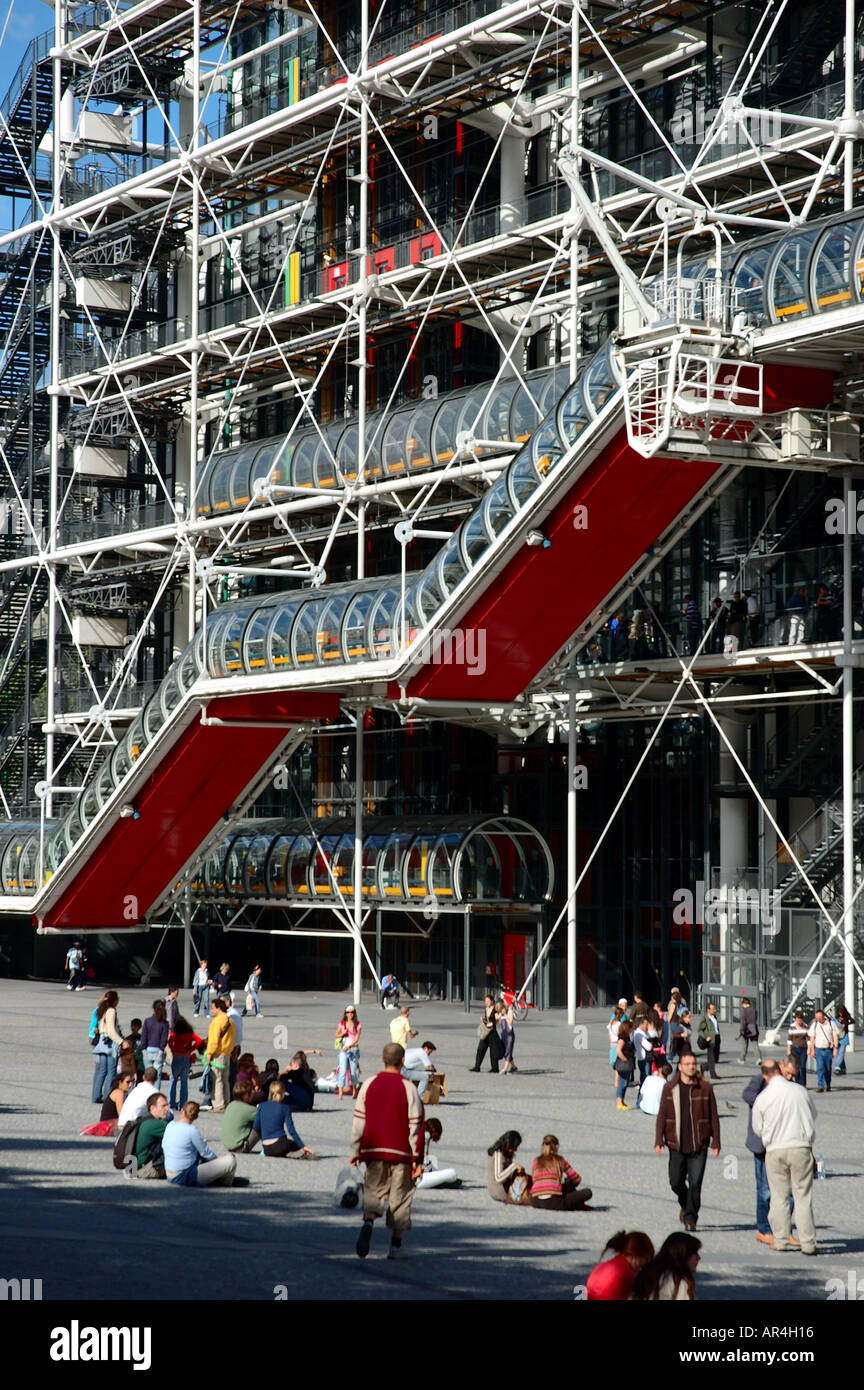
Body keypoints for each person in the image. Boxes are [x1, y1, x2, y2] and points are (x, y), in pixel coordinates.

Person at [351, 1042, 425, 1260]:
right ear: (403, 1061)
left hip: (373, 1150)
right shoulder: (409, 1088)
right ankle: (395, 1246)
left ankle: (368, 1222)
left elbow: (358, 1122)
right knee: (400, 1198)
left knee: (373, 1192)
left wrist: (355, 1151)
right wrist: (416, 1159)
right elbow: (416, 1126)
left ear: (382, 1059)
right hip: (400, 1153)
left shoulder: (369, 1084)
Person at [751, 1061, 818, 1255]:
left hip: (775, 1149)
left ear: (765, 1076)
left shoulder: (763, 1097)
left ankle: (780, 1239)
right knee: (803, 1196)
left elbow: (757, 1127)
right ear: (780, 1071)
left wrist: (767, 1137)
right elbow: (812, 1115)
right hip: (801, 1146)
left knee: (779, 1196)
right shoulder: (800, 1091)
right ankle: (808, 1243)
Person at [654, 1050, 721, 1231]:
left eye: (693, 1063)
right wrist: (658, 1139)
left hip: (699, 1143)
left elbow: (713, 1115)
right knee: (675, 1181)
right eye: (688, 1064)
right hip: (676, 1143)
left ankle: (690, 1218)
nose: (691, 1066)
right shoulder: (670, 1088)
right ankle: (685, 1204)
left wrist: (716, 1141)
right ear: (680, 1066)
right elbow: (662, 1114)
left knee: (695, 1183)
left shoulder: (705, 1088)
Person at [743, 1060, 798, 1248]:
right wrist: (769, 1102)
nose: (790, 1078)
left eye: (793, 1075)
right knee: (765, 1191)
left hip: (784, 1143)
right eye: (788, 1073)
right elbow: (747, 1095)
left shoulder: (790, 1087)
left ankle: (784, 1230)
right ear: (780, 1067)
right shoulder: (761, 1080)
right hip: (763, 1144)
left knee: (788, 1193)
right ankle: (764, 1229)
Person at [163, 1101, 238, 1186]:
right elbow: (206, 1153)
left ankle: (218, 1178)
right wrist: (218, 1160)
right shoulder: (191, 1130)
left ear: (182, 1111)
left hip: (169, 1173)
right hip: (185, 1175)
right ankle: (225, 1182)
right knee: (230, 1160)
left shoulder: (170, 1125)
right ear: (196, 1116)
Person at [585, 1231, 655, 1301]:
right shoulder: (626, 1275)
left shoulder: (601, 1267)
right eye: (646, 1259)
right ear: (636, 1255)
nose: (645, 1265)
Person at [251, 1081, 314, 1158]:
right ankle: (296, 1153)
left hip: (266, 1147)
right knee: (294, 1145)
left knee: (282, 1148)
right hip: (281, 1144)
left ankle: (287, 1153)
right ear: (283, 1094)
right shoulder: (285, 1108)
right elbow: (291, 1131)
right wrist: (303, 1146)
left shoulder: (261, 1106)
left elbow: (256, 1127)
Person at [530, 1134, 592, 1211]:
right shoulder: (560, 1160)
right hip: (554, 1202)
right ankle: (579, 1205)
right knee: (587, 1192)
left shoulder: (536, 1161)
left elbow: (534, 1180)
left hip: (536, 1201)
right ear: (556, 1146)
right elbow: (576, 1178)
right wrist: (571, 1185)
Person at [631, 1233, 701, 1300]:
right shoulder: (679, 1281)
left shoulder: (646, 1272)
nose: (698, 1257)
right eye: (694, 1253)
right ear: (683, 1253)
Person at [91, 990, 123, 1104]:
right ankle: (108, 1096)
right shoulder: (111, 1011)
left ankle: (95, 1096)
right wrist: (121, 1042)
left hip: (101, 1042)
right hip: (110, 1044)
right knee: (111, 1072)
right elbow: (111, 1030)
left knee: (101, 1071)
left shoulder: (101, 1010)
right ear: (115, 1000)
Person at [205, 998, 236, 1113]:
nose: (211, 1010)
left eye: (212, 1008)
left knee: (217, 1079)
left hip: (218, 1054)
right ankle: (226, 1102)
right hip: (227, 1053)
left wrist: (209, 1054)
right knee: (225, 1080)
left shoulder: (217, 1021)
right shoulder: (230, 1020)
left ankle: (218, 1105)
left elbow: (213, 1040)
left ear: (219, 1008)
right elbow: (233, 1039)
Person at [486, 1131, 532, 1204]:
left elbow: (506, 1172)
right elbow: (498, 1178)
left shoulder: (506, 1153)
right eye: (514, 1147)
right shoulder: (498, 1154)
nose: (515, 1150)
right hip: (499, 1192)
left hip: (506, 1188)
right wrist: (513, 1166)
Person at [168, 1015, 202, 1110]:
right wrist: (190, 1050)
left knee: (173, 1080)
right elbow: (199, 1041)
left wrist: (173, 1050)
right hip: (186, 1058)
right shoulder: (190, 1033)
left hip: (177, 1057)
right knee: (184, 1082)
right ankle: (183, 1104)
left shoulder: (175, 1033)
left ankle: (172, 1102)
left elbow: (170, 1042)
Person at [416, 1117, 460, 1189]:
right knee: (453, 1173)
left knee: (432, 1159)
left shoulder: (419, 1131)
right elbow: (423, 1160)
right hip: (418, 1179)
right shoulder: (426, 1136)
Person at [134, 1093, 171, 1178]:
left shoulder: (143, 1118)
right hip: (146, 1169)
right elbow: (180, 1139)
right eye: (163, 1106)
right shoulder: (157, 1124)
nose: (167, 1108)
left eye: (167, 1105)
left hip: (135, 1166)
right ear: (152, 1108)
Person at [222, 1080, 259, 1153]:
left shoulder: (230, 1105)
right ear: (246, 1095)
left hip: (228, 1146)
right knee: (260, 1123)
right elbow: (264, 1116)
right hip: (241, 1147)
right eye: (251, 1093)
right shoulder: (248, 1110)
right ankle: (270, 1145)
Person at [140, 1000, 169, 1090]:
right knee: (157, 1076)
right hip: (158, 1051)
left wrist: (143, 1050)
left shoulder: (147, 1021)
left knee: (148, 1076)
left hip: (148, 1050)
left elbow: (143, 1037)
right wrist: (161, 1051)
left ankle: (147, 1096)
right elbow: (164, 1039)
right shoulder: (164, 1023)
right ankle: (155, 1095)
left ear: (153, 1009)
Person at [808, 1009, 838, 1092]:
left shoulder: (831, 1024)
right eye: (816, 1018)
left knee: (828, 1068)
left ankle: (828, 1084)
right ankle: (820, 1085)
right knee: (820, 1067)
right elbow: (812, 1038)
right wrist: (812, 1049)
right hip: (818, 1049)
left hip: (828, 1049)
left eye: (819, 1017)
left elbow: (835, 1036)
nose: (818, 1019)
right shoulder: (815, 1025)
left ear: (823, 1016)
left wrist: (835, 1048)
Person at [471, 994, 503, 1073]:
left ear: (492, 1001)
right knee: (480, 1049)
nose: (486, 1003)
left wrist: (492, 1023)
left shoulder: (494, 1009)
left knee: (493, 1051)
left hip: (492, 1032)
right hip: (486, 1032)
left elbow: (496, 1019)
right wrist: (484, 1019)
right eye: (485, 1001)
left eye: (488, 1001)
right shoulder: (486, 1009)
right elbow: (487, 1019)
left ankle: (495, 1068)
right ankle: (477, 1066)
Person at [335, 1006, 362, 1100]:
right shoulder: (342, 1023)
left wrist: (349, 1046)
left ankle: (354, 1089)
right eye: (348, 1012)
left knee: (353, 1072)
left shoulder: (358, 1024)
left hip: (353, 1050)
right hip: (343, 1050)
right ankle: (340, 1092)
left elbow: (357, 1038)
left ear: (354, 1013)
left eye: (352, 1012)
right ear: (345, 1013)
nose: (350, 1014)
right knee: (342, 1071)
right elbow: (336, 1034)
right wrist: (343, 1033)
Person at [614, 1020, 636, 1110]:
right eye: (630, 1028)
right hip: (623, 1063)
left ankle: (622, 1101)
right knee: (622, 1083)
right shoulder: (622, 1038)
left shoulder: (627, 1037)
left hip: (628, 1062)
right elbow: (618, 1050)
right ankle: (619, 1101)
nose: (632, 1030)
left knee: (625, 1083)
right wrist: (625, 1059)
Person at [698, 1002, 721, 1079]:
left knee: (716, 1058)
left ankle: (704, 1067)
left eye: (715, 1009)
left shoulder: (714, 1017)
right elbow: (700, 1030)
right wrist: (706, 1036)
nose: (714, 1010)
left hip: (717, 1038)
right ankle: (713, 1075)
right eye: (713, 1009)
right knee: (711, 1058)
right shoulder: (705, 1018)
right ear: (708, 1009)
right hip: (710, 1040)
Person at [787, 1009, 809, 1086]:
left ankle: (803, 1083)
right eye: (797, 1019)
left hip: (803, 1048)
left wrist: (809, 1048)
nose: (799, 1020)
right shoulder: (792, 1027)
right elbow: (789, 1039)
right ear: (795, 1019)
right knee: (796, 1066)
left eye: (800, 1019)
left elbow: (808, 1038)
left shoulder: (805, 1026)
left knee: (802, 1066)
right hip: (794, 1048)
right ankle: (797, 1082)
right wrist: (789, 1050)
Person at [738, 997, 761, 1063]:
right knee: (755, 1044)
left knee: (744, 1045)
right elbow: (755, 1018)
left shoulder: (744, 1011)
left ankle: (742, 1059)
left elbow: (743, 1021)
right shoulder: (754, 1010)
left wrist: (741, 1029)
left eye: (742, 1004)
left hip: (746, 1029)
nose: (742, 1006)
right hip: (754, 1029)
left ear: (744, 1004)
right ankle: (758, 1058)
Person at [497, 1000, 517, 1074]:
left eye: (501, 1010)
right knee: (506, 1050)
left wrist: (505, 1016)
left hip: (509, 1035)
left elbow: (510, 1022)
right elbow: (496, 1020)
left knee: (508, 1051)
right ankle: (514, 1067)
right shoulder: (500, 1013)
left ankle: (505, 1069)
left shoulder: (509, 1011)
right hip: (503, 1035)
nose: (500, 1012)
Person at [833, 1005, 854, 1076]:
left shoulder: (846, 1017)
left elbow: (852, 1021)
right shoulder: (835, 1018)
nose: (840, 1014)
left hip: (844, 1037)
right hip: (837, 1037)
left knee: (841, 1053)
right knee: (840, 1054)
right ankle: (843, 1068)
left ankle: (837, 1067)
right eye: (839, 1012)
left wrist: (845, 1022)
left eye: (841, 1012)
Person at [633, 1016, 654, 1086]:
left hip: (646, 1058)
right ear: (641, 1024)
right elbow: (649, 1047)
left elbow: (654, 1035)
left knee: (647, 1076)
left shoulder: (644, 1032)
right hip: (643, 1058)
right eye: (646, 1024)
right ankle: (642, 1095)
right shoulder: (639, 1034)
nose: (647, 1026)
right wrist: (652, 1042)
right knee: (645, 1078)